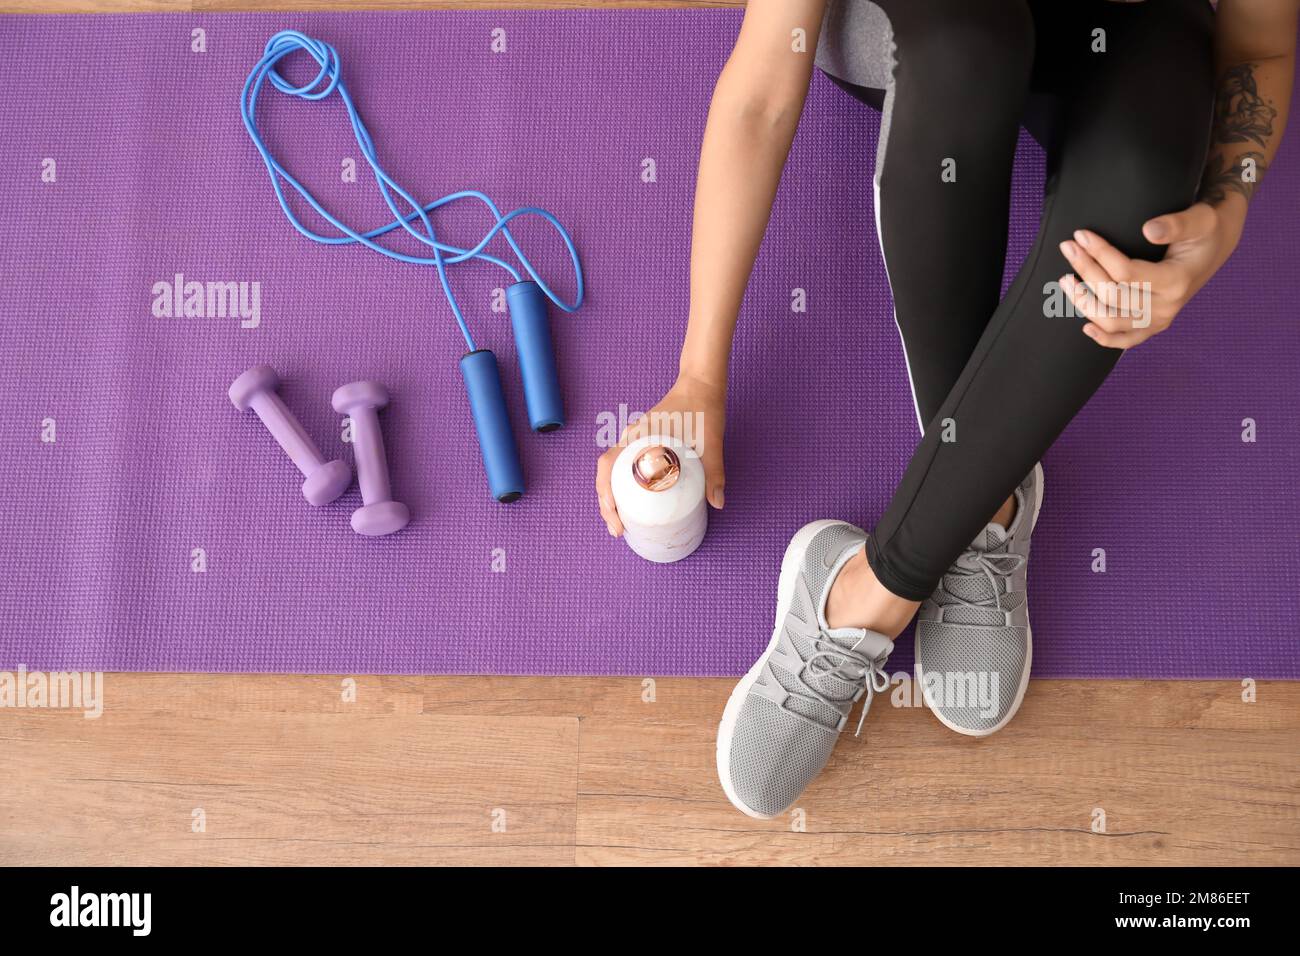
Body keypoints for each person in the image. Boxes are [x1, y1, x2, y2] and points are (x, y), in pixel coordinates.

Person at [595, 0, 1298, 819]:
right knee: (973, 42)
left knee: (1144, 196)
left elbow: (1260, 49)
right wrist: (698, 376)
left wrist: (1230, 209)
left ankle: (872, 585)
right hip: (928, 35)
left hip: (1127, 28)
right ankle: (980, 501)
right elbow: (761, 90)